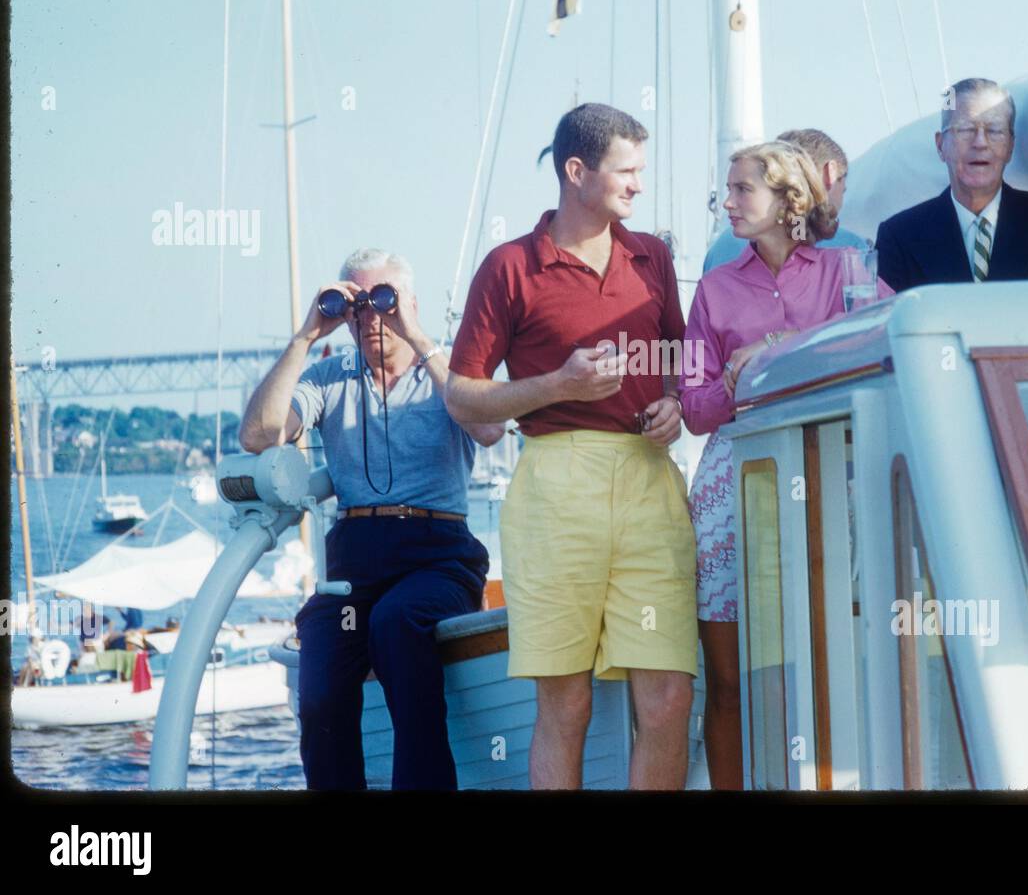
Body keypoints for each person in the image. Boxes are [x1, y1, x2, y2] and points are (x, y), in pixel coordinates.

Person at [444, 102, 697, 790]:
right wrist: (557, 383)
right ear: (576, 171)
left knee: (670, 697)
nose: (639, 185)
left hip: (649, 480)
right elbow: (463, 395)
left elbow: (682, 361)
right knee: (567, 703)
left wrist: (677, 402)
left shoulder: (654, 257)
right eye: (628, 170)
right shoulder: (509, 267)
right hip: (555, 489)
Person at [238, 248, 505, 790]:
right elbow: (259, 435)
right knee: (319, 686)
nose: (369, 317)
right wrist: (306, 337)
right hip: (356, 562)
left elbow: (489, 429)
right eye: (355, 305)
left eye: (384, 301)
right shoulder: (329, 376)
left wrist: (421, 338)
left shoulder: (449, 371)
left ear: (409, 305)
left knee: (397, 622)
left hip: (439, 555)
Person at [680, 140, 895, 789]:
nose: (729, 200)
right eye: (728, 188)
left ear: (788, 199)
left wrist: (782, 348)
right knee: (728, 674)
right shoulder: (714, 290)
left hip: (833, 481)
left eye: (743, 188)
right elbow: (694, 407)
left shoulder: (847, 268)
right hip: (731, 488)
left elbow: (889, 341)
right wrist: (742, 382)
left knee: (821, 660)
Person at [876, 77, 1028, 291]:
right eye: (965, 129)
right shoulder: (898, 237)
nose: (980, 142)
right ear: (941, 146)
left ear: (1010, 147)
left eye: (994, 130)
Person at [701, 128, 868, 274]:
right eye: (843, 187)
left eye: (743, 189)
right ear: (830, 172)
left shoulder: (721, 247)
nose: (728, 203)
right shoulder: (849, 249)